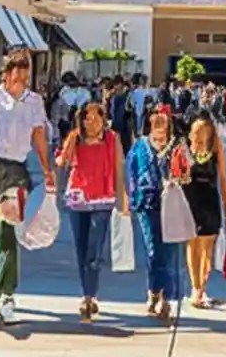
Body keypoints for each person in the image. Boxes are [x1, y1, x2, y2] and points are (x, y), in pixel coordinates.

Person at [0, 50, 57, 325]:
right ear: (5, 74)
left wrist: (46, 168)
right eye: (16, 74)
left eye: (25, 74)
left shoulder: (34, 102)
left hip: (16, 170)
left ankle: (0, 292)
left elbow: (39, 136)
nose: (21, 80)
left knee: (8, 227)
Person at [57, 102, 128, 321]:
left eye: (97, 118)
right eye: (88, 118)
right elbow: (63, 161)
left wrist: (122, 199)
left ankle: (90, 294)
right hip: (78, 199)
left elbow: (119, 167)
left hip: (102, 200)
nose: (92, 122)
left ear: (103, 120)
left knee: (94, 251)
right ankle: (87, 296)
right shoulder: (75, 137)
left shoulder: (112, 139)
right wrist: (60, 159)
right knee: (81, 249)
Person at [125, 104, 182, 324]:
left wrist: (177, 178)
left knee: (170, 252)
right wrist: (131, 201)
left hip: (172, 205)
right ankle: (153, 290)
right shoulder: (139, 146)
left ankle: (167, 297)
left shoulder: (177, 146)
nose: (159, 124)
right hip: (147, 203)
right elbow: (131, 175)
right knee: (152, 250)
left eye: (163, 120)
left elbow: (188, 173)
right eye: (155, 120)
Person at [172, 111, 226, 309]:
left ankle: (202, 289)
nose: (200, 135)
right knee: (193, 247)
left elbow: (223, 179)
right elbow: (174, 175)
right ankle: (195, 287)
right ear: (190, 132)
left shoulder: (216, 150)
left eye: (204, 131)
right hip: (189, 203)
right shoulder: (183, 150)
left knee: (207, 248)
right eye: (197, 130)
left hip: (209, 202)